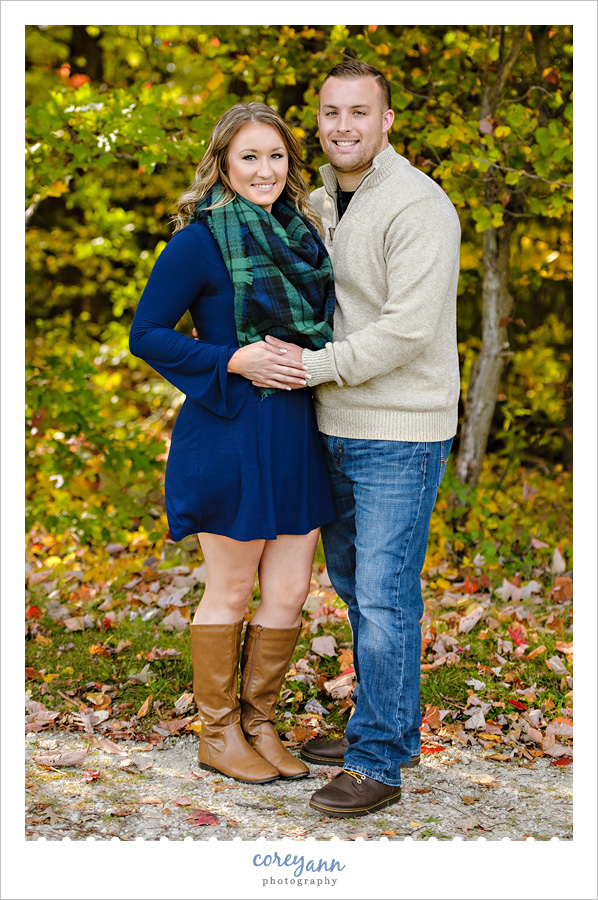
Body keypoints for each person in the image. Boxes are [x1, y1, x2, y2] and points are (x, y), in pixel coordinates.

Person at [252, 61, 461, 817]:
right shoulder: (313, 202)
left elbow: (406, 331)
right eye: (331, 112)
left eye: (359, 112)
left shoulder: (418, 206)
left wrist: (312, 368)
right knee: (357, 592)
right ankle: (383, 722)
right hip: (332, 425)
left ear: (387, 121)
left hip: (399, 433)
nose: (343, 126)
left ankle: (379, 761)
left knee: (385, 597)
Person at [129, 102, 337, 785]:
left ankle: (259, 722)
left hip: (295, 432)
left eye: (275, 156)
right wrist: (229, 361)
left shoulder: (304, 236)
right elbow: (148, 333)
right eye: (249, 156)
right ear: (222, 163)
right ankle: (217, 733)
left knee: (288, 591)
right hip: (229, 430)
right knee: (230, 589)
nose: (265, 170)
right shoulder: (199, 240)